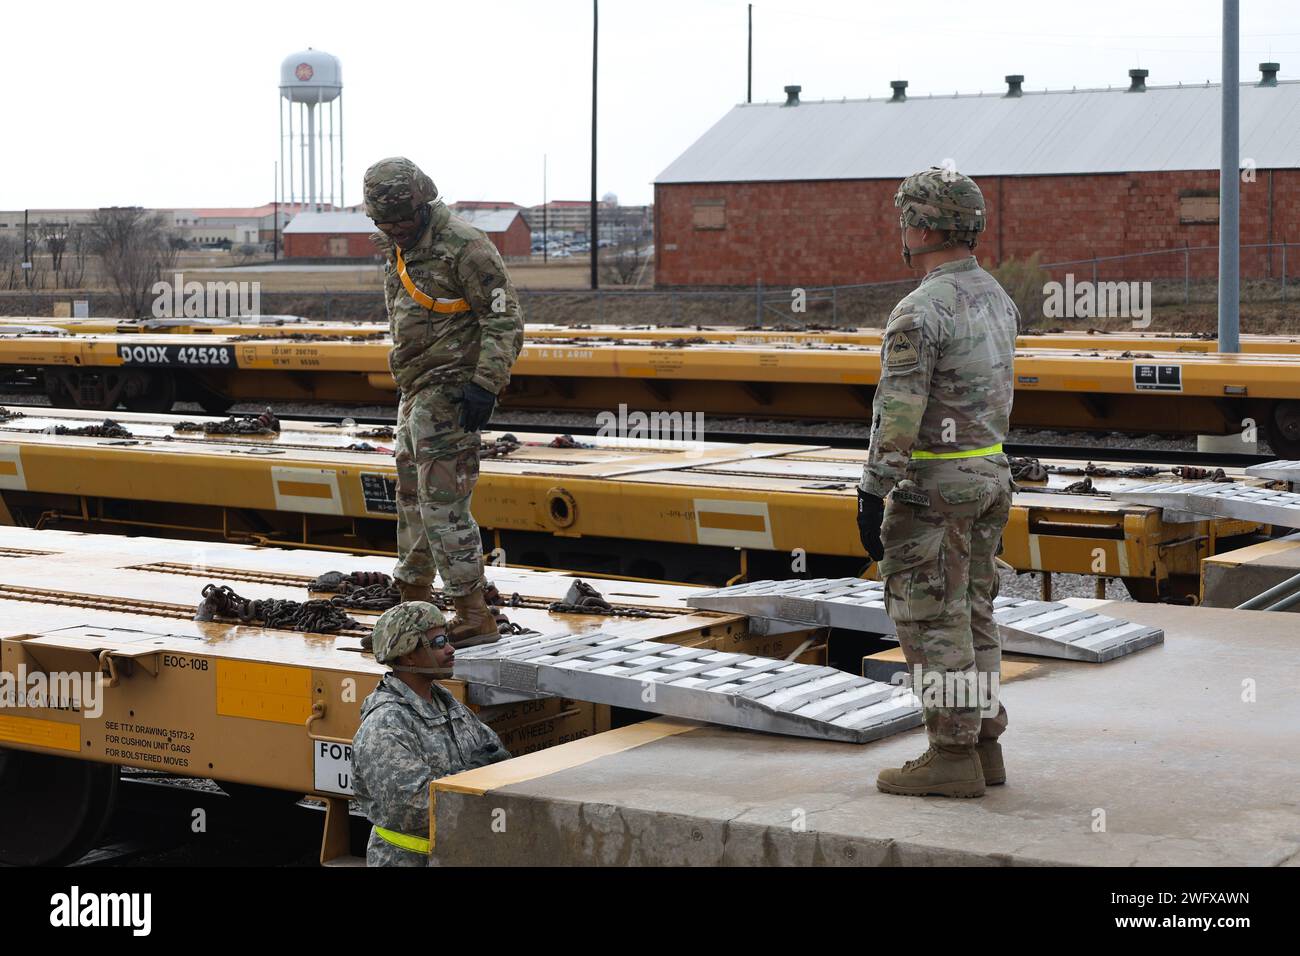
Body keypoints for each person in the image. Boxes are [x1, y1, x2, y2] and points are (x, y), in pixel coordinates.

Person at [857, 166, 1019, 798]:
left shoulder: (919, 311)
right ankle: (983, 744)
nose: (902, 231)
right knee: (974, 608)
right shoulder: (995, 297)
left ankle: (951, 755)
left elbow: (899, 413)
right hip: (989, 474)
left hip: (935, 488)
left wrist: (873, 490)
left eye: (905, 219)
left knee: (932, 615)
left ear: (923, 225)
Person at [363, 156, 525, 645]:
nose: (394, 230)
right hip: (415, 389)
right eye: (383, 222)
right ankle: (413, 605)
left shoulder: (466, 248)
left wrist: (484, 385)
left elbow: (505, 319)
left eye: (402, 220)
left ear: (423, 204)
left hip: (450, 389)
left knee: (442, 504)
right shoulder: (396, 244)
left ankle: (474, 614)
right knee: (412, 500)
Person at [350, 602, 511, 866]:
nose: (450, 649)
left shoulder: (449, 707)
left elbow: (497, 755)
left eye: (446, 639)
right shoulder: (386, 725)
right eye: (437, 643)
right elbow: (411, 809)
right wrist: (472, 782)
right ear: (408, 655)